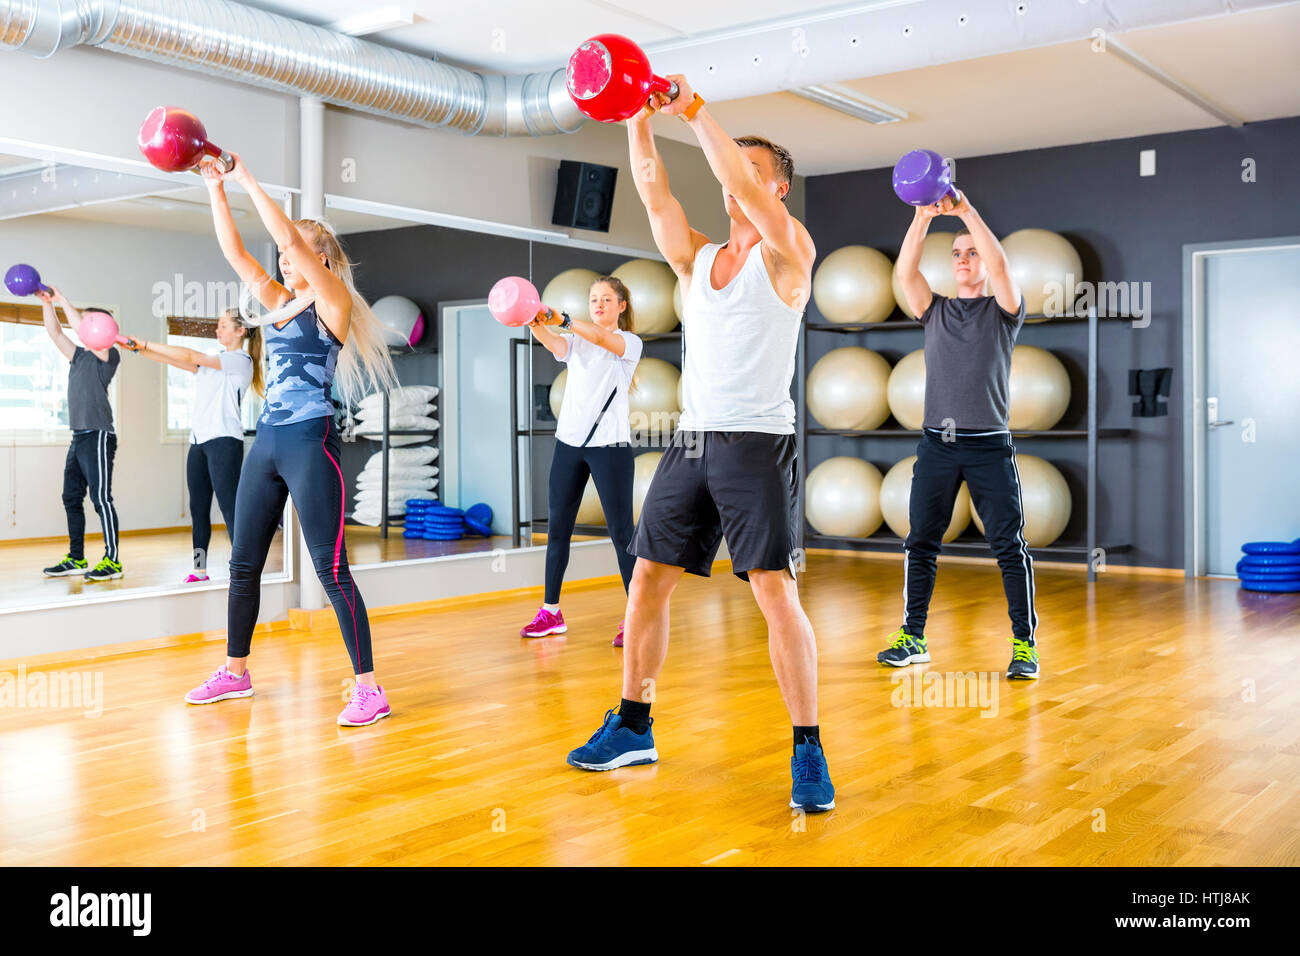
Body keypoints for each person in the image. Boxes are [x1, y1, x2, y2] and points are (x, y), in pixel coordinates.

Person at [565, 76, 835, 813]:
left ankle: (807, 748)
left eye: (749, 175)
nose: (732, 186)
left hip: (756, 446)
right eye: (730, 175)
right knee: (647, 579)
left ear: (774, 187)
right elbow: (654, 194)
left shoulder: (789, 254)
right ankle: (634, 724)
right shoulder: (695, 258)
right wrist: (637, 122)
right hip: (691, 441)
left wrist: (696, 111)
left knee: (775, 594)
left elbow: (733, 178)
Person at [183, 154, 399, 726]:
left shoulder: (333, 301)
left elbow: (286, 236)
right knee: (244, 562)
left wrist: (247, 176)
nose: (283, 256)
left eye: (295, 249)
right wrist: (215, 188)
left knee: (331, 570)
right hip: (267, 442)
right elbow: (236, 254)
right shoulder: (279, 303)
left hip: (309, 443)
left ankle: (369, 689)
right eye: (282, 253)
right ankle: (234, 672)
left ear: (320, 258)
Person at [878, 190, 1039, 680]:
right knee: (921, 541)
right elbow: (905, 273)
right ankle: (913, 636)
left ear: (984, 264)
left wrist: (967, 211)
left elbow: (1004, 267)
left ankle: (1024, 646)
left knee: (1009, 545)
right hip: (937, 447)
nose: (965, 260)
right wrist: (922, 218)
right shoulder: (935, 310)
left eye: (973, 254)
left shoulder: (1004, 310)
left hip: (989, 446)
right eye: (957, 254)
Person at [520, 276, 642, 645]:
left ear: (622, 306)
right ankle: (551, 612)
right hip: (569, 444)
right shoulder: (575, 341)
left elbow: (602, 339)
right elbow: (556, 343)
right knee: (558, 529)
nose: (599, 304)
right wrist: (534, 321)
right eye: (594, 299)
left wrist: (566, 319)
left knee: (622, 534)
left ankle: (637, 617)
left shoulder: (628, 343)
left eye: (607, 299)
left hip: (610, 447)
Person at [123, 308, 261, 583]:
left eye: (223, 326)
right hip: (199, 442)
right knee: (198, 509)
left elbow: (189, 356)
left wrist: (148, 343)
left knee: (230, 507)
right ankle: (200, 569)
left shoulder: (240, 360)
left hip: (224, 440)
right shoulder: (215, 362)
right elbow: (176, 361)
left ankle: (243, 568)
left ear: (240, 331)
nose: (217, 330)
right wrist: (138, 349)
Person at [38, 287, 124, 583]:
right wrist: (48, 304)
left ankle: (112, 561)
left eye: (89, 323)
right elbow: (57, 334)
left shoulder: (108, 354)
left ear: (100, 329)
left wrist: (64, 300)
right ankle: (76, 557)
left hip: (98, 435)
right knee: (71, 496)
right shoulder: (79, 356)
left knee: (101, 498)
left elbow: (83, 332)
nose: (83, 327)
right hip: (79, 437)